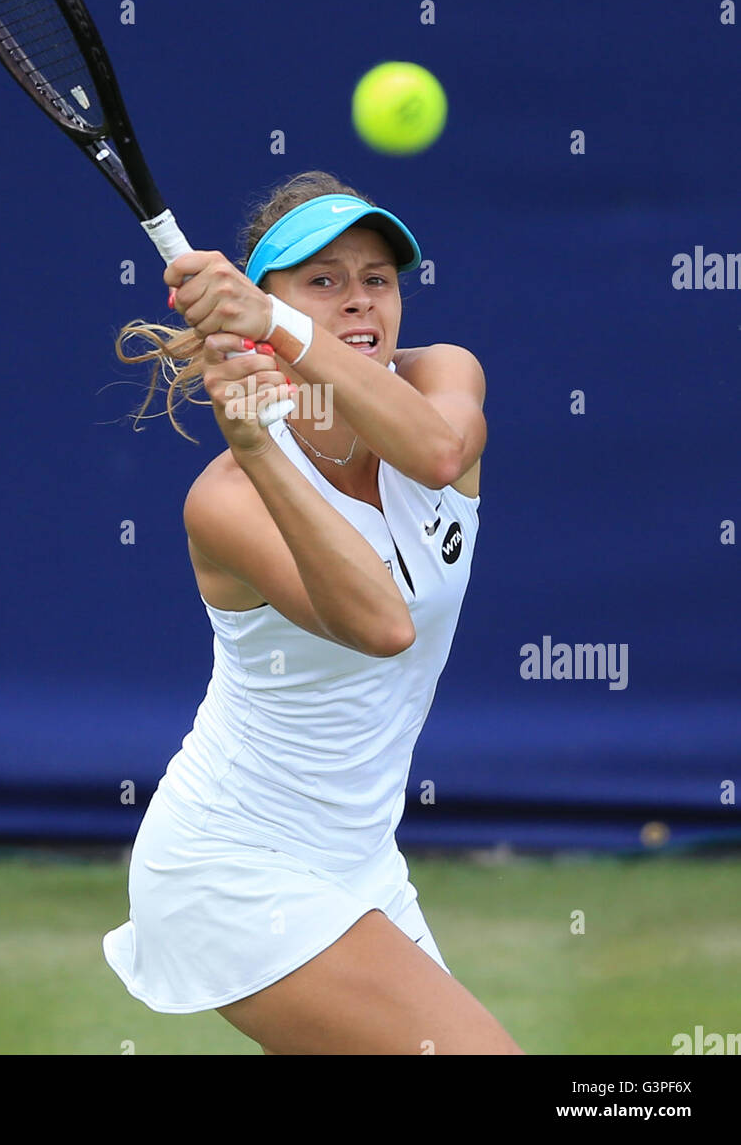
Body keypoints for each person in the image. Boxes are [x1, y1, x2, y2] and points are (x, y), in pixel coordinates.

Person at [102, 171, 523, 1055]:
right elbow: (382, 626)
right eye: (322, 281)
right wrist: (256, 446)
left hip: (360, 862)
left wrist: (278, 328)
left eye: (377, 278)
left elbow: (440, 452)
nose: (360, 300)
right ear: (262, 298)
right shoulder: (225, 497)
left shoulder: (446, 376)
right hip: (231, 867)